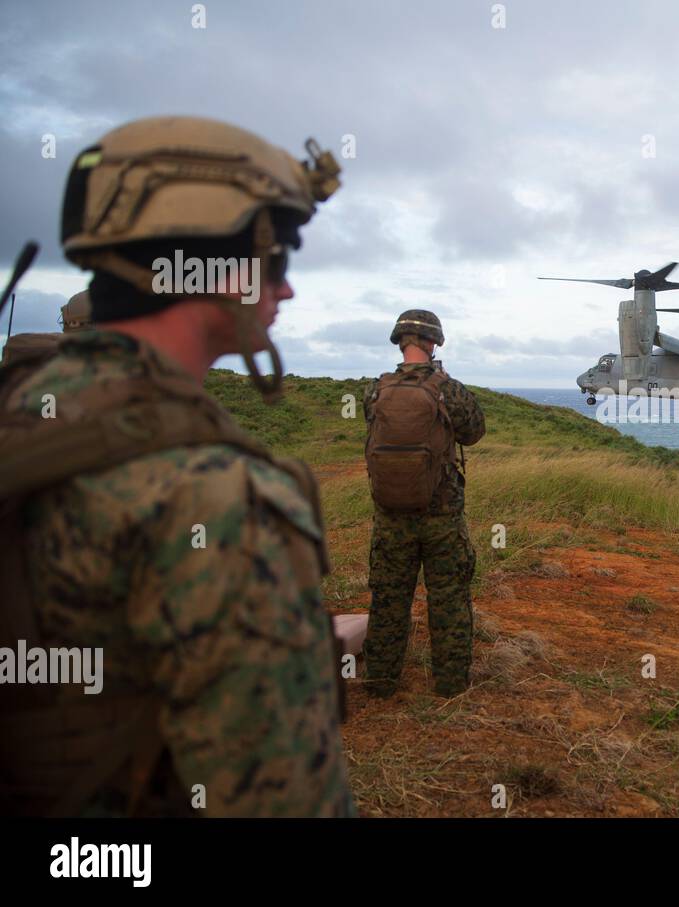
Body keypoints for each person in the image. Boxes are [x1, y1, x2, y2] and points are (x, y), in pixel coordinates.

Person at [0, 115, 354, 817]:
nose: (286, 290)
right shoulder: (217, 499)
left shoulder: (20, 401)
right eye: (277, 256)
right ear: (215, 268)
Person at [362, 310, 485, 698]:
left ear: (400, 341)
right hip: (442, 515)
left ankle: (380, 682)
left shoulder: (375, 390)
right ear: (433, 343)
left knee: (388, 599)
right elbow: (474, 433)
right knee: (448, 598)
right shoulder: (450, 389)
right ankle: (449, 686)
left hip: (390, 516)